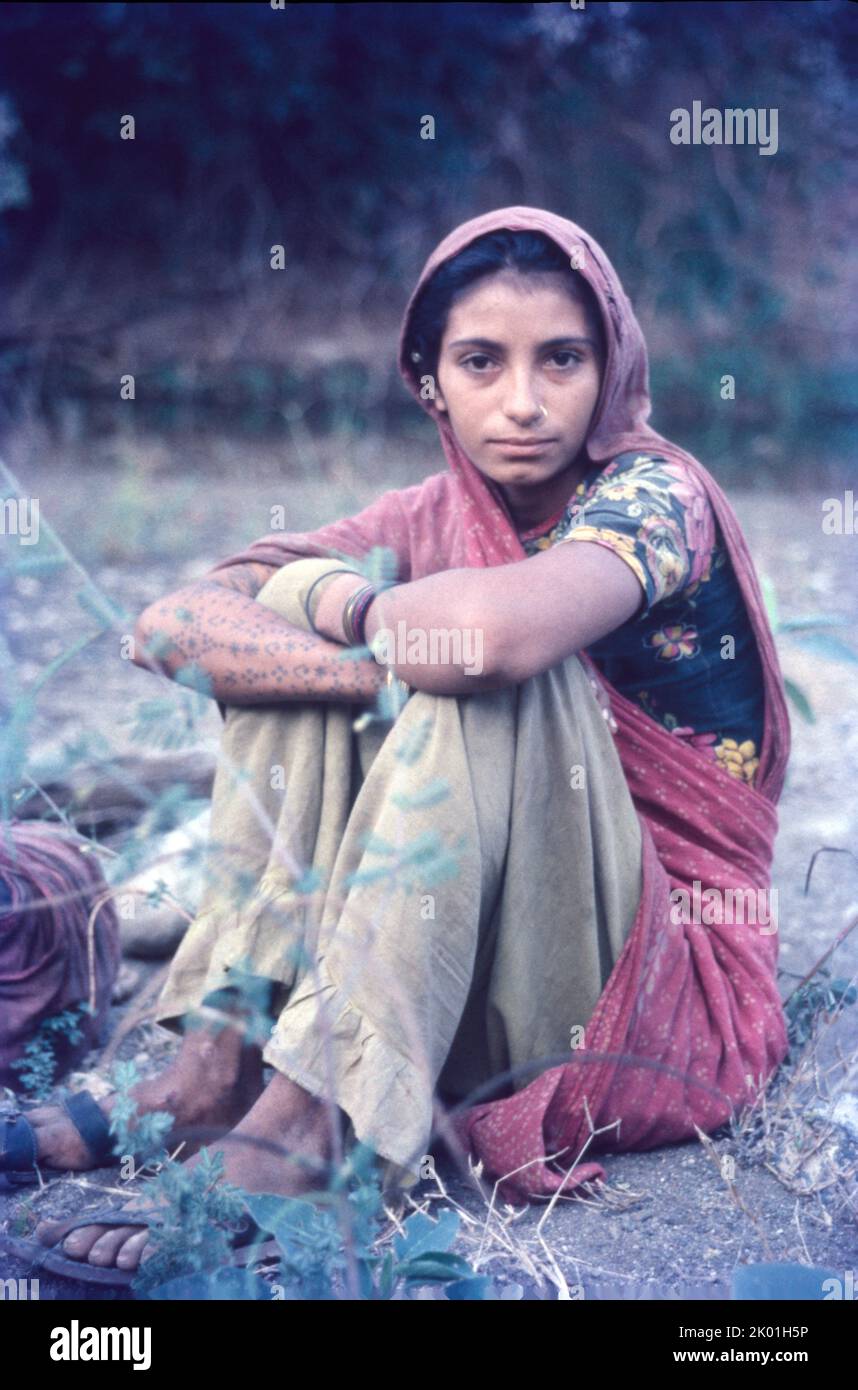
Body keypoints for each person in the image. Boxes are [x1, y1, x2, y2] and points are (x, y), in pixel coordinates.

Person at [30, 205, 790, 1279]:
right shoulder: (434, 513)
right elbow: (169, 625)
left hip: (659, 993)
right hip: (480, 961)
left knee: (469, 660)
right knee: (316, 612)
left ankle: (308, 1133)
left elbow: (485, 640)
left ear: (611, 368)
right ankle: (220, 1062)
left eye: (562, 359)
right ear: (430, 381)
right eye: (481, 362)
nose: (523, 401)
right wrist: (353, 671)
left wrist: (372, 641)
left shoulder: (657, 496)